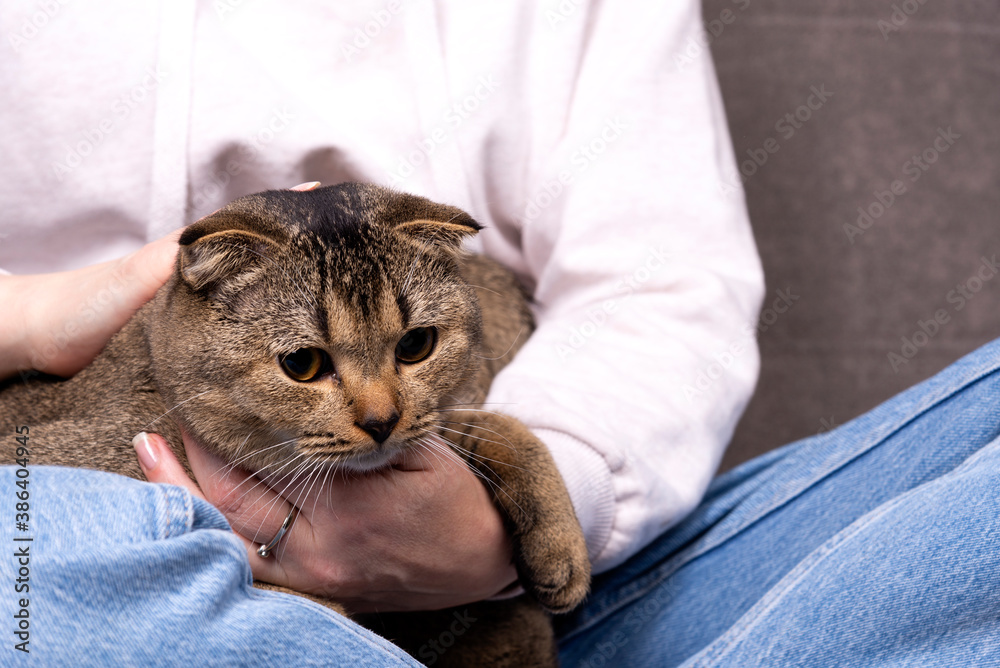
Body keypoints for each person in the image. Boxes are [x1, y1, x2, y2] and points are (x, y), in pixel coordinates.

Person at [4, 2, 1000, 666]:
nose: (372, 402)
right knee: (39, 558)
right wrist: (35, 315)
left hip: (540, 590)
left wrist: (505, 516)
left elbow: (662, 286)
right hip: (106, 579)